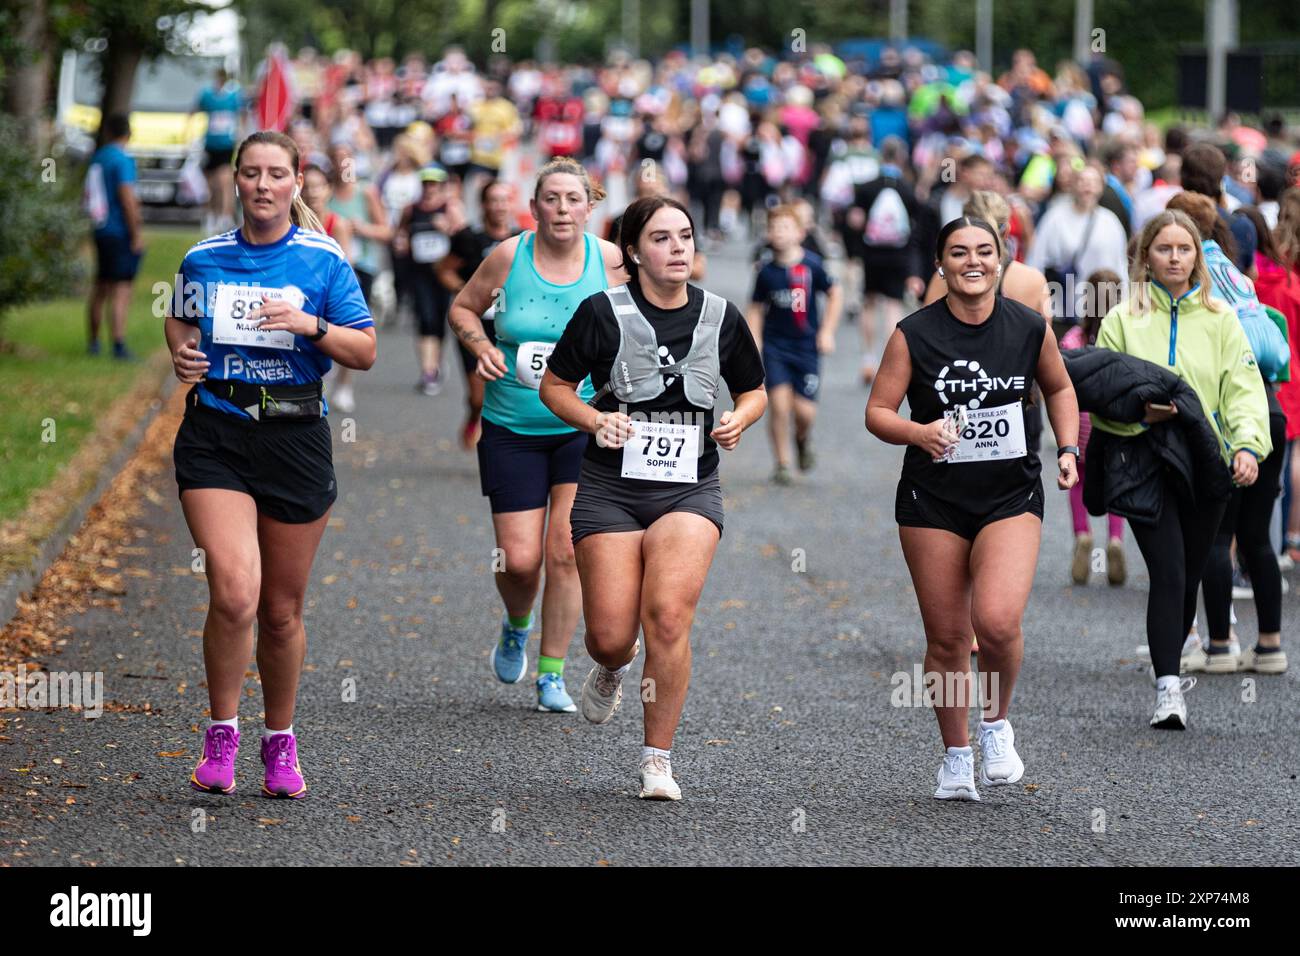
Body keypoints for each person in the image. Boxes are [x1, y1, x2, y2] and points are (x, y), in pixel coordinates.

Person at [167, 130, 377, 798]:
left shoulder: (323, 260)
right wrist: (182, 354)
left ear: (295, 183)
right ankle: (221, 731)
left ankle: (279, 742)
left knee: (281, 612)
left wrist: (306, 324)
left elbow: (364, 351)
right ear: (236, 180)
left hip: (294, 436)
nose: (262, 185)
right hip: (217, 433)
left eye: (276, 173)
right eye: (251, 173)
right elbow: (179, 319)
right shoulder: (203, 258)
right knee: (234, 592)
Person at [538, 195, 767, 800]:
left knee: (668, 615)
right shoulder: (601, 312)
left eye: (686, 236)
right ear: (634, 251)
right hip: (610, 488)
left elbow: (755, 390)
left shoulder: (721, 315)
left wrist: (739, 418)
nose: (678, 248)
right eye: (662, 239)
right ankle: (614, 666)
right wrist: (592, 420)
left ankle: (657, 759)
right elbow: (554, 386)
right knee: (610, 634)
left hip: (689, 487)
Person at [865, 216, 1080, 801]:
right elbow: (877, 411)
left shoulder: (1029, 327)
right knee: (947, 638)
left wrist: (1067, 447)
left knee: (998, 622)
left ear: (1003, 259)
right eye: (958, 253)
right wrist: (919, 432)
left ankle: (996, 725)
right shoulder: (913, 334)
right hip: (931, 500)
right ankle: (956, 756)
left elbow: (1059, 387)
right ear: (941, 264)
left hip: (1009, 495)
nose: (973, 262)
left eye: (985, 251)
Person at [447, 156, 626, 713]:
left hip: (583, 426)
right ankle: (516, 623)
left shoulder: (611, 261)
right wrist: (479, 347)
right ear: (535, 207)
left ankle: (552, 673)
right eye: (552, 199)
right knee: (519, 560)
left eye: (573, 199)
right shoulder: (508, 256)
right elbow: (463, 309)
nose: (563, 209)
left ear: (590, 207)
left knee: (566, 552)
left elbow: (640, 325)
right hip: (512, 425)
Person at [1089, 209, 1270, 728]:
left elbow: (1242, 389)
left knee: (1188, 573)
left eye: (1184, 249)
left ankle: (1169, 661)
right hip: (1142, 458)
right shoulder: (1122, 318)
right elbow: (1099, 390)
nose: (1174, 258)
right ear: (1146, 255)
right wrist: (1136, 410)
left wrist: (1248, 447)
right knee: (1168, 571)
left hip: (1205, 462)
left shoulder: (1221, 319)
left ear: (1198, 256)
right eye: (1164, 249)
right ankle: (1169, 688)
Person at [1166, 192, 1289, 675]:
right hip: (1270, 411)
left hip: (1229, 417)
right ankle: (1271, 646)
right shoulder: (1240, 279)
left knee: (1218, 536)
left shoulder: (1195, 291)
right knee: (1258, 536)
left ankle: (1219, 645)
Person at [747, 204, 841, 483]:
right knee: (778, 405)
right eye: (773, 228)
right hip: (775, 347)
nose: (778, 233)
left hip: (807, 347)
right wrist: (755, 340)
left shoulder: (812, 265)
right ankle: (783, 463)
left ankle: (801, 439)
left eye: (785, 228)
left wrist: (827, 331)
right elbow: (754, 307)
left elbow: (835, 293)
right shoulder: (766, 271)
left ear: (800, 233)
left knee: (805, 413)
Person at [437, 179, 522, 448]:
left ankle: (498, 443)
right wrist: (466, 291)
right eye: (493, 200)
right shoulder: (468, 237)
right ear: (483, 205)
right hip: (476, 323)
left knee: (508, 389)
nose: (499, 206)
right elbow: (444, 269)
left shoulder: (523, 240)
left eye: (504, 200)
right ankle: (475, 414)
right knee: (478, 396)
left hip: (511, 324)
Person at [1059, 270, 1128, 585]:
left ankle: (1083, 533)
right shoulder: (1124, 336)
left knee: (1077, 482)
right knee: (1116, 485)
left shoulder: (1074, 339)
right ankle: (1114, 539)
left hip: (1081, 425)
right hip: (1113, 424)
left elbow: (1059, 381)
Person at [848, 136, 924, 385]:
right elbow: (915, 225)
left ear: (882, 157)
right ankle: (888, 361)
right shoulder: (908, 189)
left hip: (872, 253)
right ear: (901, 158)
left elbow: (856, 220)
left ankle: (867, 358)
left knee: (869, 303)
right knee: (893, 305)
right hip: (898, 253)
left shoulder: (866, 187)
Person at [326, 142, 392, 413]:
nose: (343, 165)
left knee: (351, 327)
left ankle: (344, 384)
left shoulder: (366, 192)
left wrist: (362, 229)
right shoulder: (324, 194)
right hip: (328, 268)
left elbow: (387, 231)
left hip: (360, 267)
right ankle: (322, 376)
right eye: (337, 159)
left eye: (347, 158)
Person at [1025, 162, 1128, 324]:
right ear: (1072, 185)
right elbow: (1036, 260)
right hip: (1063, 307)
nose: (1088, 186)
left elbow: (1120, 265)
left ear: (1101, 187)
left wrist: (1124, 303)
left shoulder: (1110, 222)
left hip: (1100, 308)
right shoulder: (1055, 218)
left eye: (1093, 182)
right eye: (1082, 180)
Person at [394, 164, 460, 394]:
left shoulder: (450, 208)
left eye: (434, 184)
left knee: (438, 321)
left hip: (443, 273)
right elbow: (400, 232)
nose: (429, 188)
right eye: (426, 184)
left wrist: (448, 229)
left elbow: (465, 238)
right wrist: (401, 241)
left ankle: (437, 363)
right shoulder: (411, 209)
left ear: (441, 186)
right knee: (424, 317)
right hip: (418, 272)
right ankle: (428, 371)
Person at [84, 112, 143, 361]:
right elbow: (127, 196)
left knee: (100, 287)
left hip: (100, 228)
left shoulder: (98, 157)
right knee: (121, 289)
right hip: (119, 231)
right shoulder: (123, 160)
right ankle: (118, 345)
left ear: (108, 132)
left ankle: (94, 343)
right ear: (128, 134)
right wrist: (136, 233)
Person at [192, 69, 243, 235]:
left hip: (226, 145)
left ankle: (226, 216)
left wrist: (239, 134)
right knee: (211, 184)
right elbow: (195, 109)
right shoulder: (207, 94)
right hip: (210, 145)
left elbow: (242, 114)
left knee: (224, 181)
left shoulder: (234, 95)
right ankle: (211, 215)